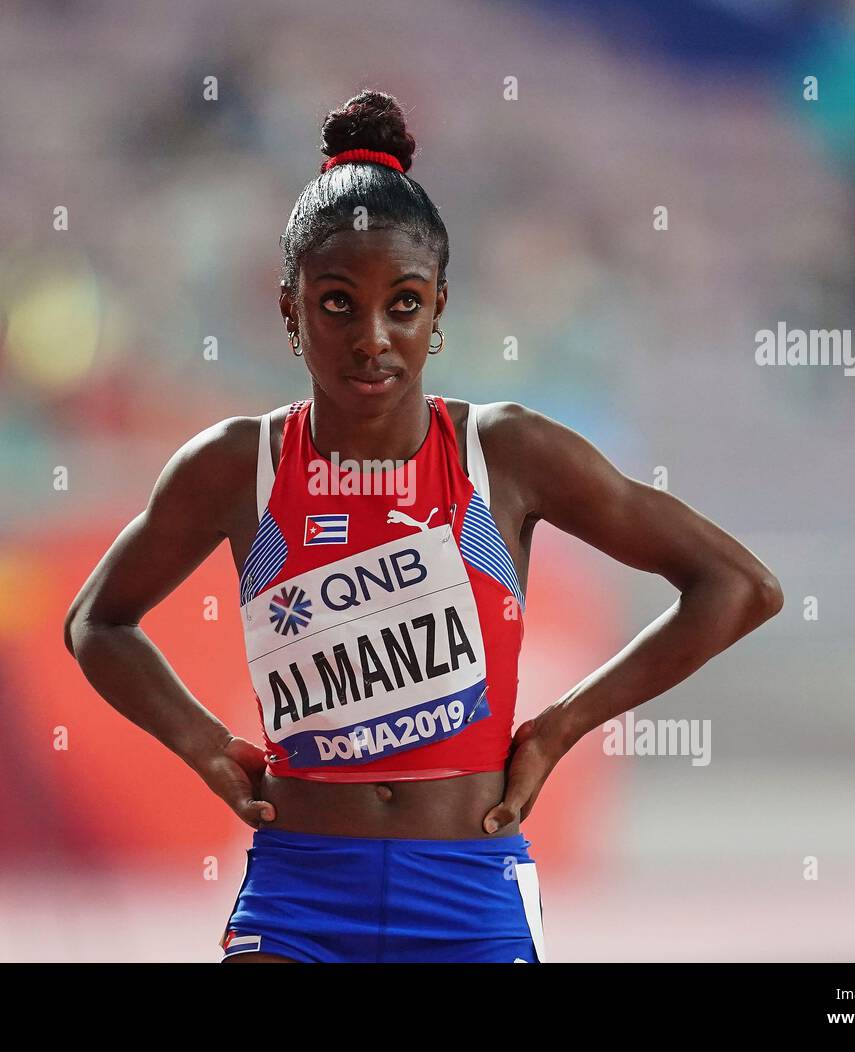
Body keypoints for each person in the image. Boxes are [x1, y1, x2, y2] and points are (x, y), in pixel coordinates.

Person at [63, 89, 783, 964]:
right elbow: (97, 622)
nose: (372, 337)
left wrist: (561, 725)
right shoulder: (237, 466)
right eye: (336, 304)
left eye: (403, 304)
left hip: (468, 891)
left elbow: (739, 588)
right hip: (298, 892)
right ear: (289, 307)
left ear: (438, 309)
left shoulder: (506, 455)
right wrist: (204, 744)